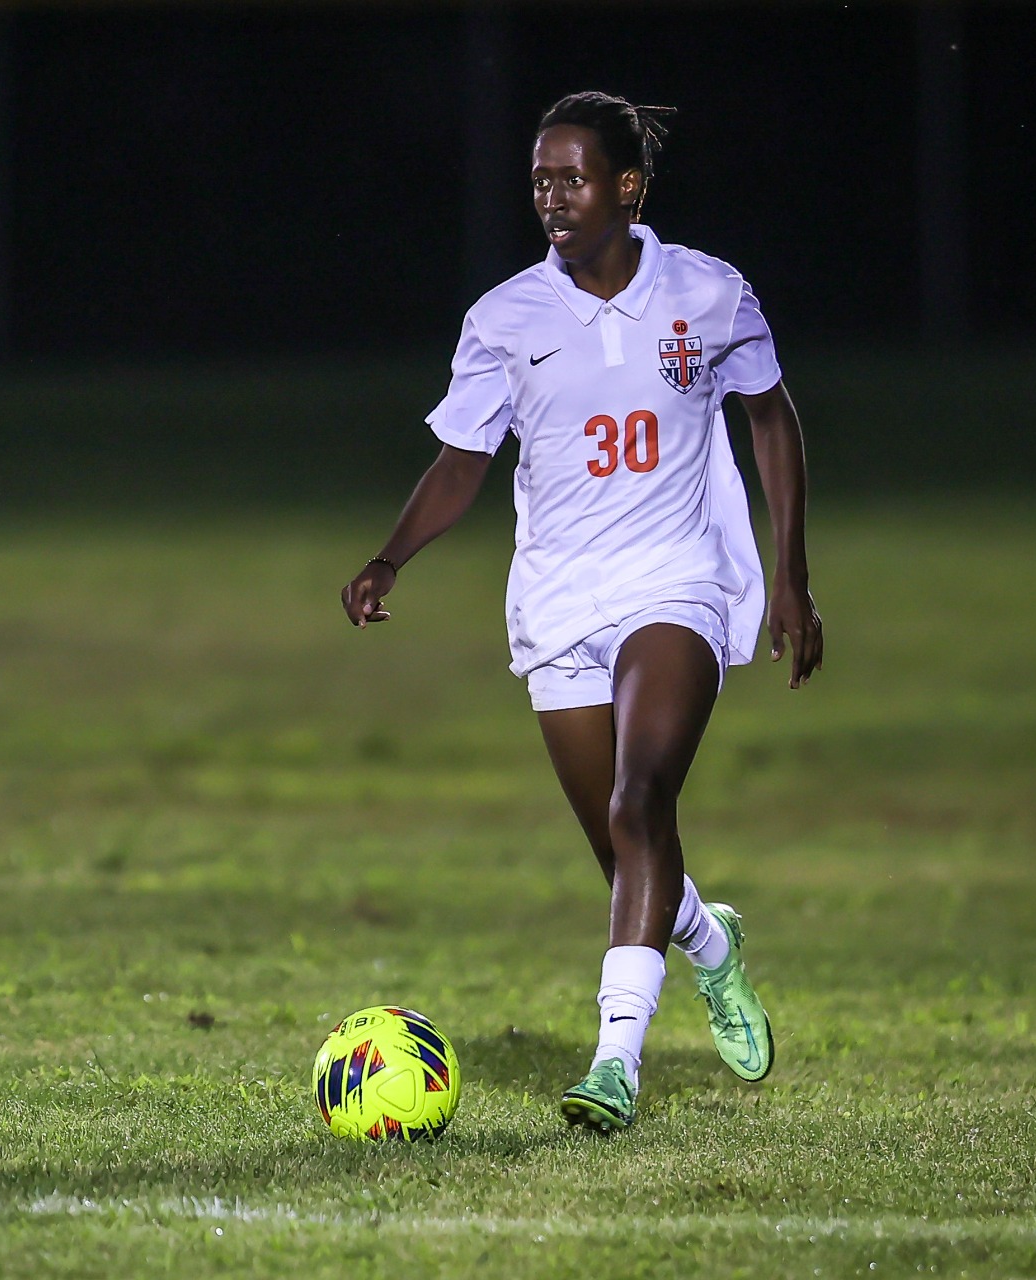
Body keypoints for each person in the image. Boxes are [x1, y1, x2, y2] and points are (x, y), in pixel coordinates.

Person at [340, 90, 823, 1133]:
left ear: (627, 186)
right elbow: (463, 460)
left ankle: (616, 1064)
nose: (551, 197)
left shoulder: (709, 291)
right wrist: (390, 558)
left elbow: (771, 417)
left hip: (675, 578)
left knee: (639, 799)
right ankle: (710, 942)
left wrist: (790, 573)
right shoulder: (505, 318)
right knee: (622, 851)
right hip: (558, 597)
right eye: (539, 180)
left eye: (572, 176)